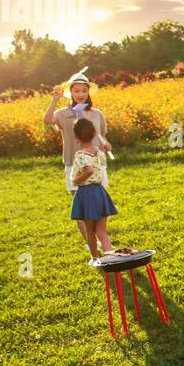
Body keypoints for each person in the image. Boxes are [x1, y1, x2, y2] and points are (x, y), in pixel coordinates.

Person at [45, 68, 114, 255]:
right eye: (77, 91)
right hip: (73, 165)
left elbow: (102, 137)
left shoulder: (97, 114)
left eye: (84, 91)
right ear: (71, 92)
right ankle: (92, 244)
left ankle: (101, 239)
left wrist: (106, 144)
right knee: (81, 209)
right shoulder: (62, 113)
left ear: (88, 92)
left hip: (96, 165)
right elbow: (47, 119)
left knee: (98, 205)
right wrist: (54, 100)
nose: (81, 94)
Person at [69, 118, 118, 266]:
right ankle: (110, 257)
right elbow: (97, 168)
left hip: (87, 194)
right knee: (102, 230)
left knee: (90, 230)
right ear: (93, 135)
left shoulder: (81, 155)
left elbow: (89, 170)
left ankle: (96, 258)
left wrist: (76, 180)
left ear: (76, 137)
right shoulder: (98, 153)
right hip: (99, 191)